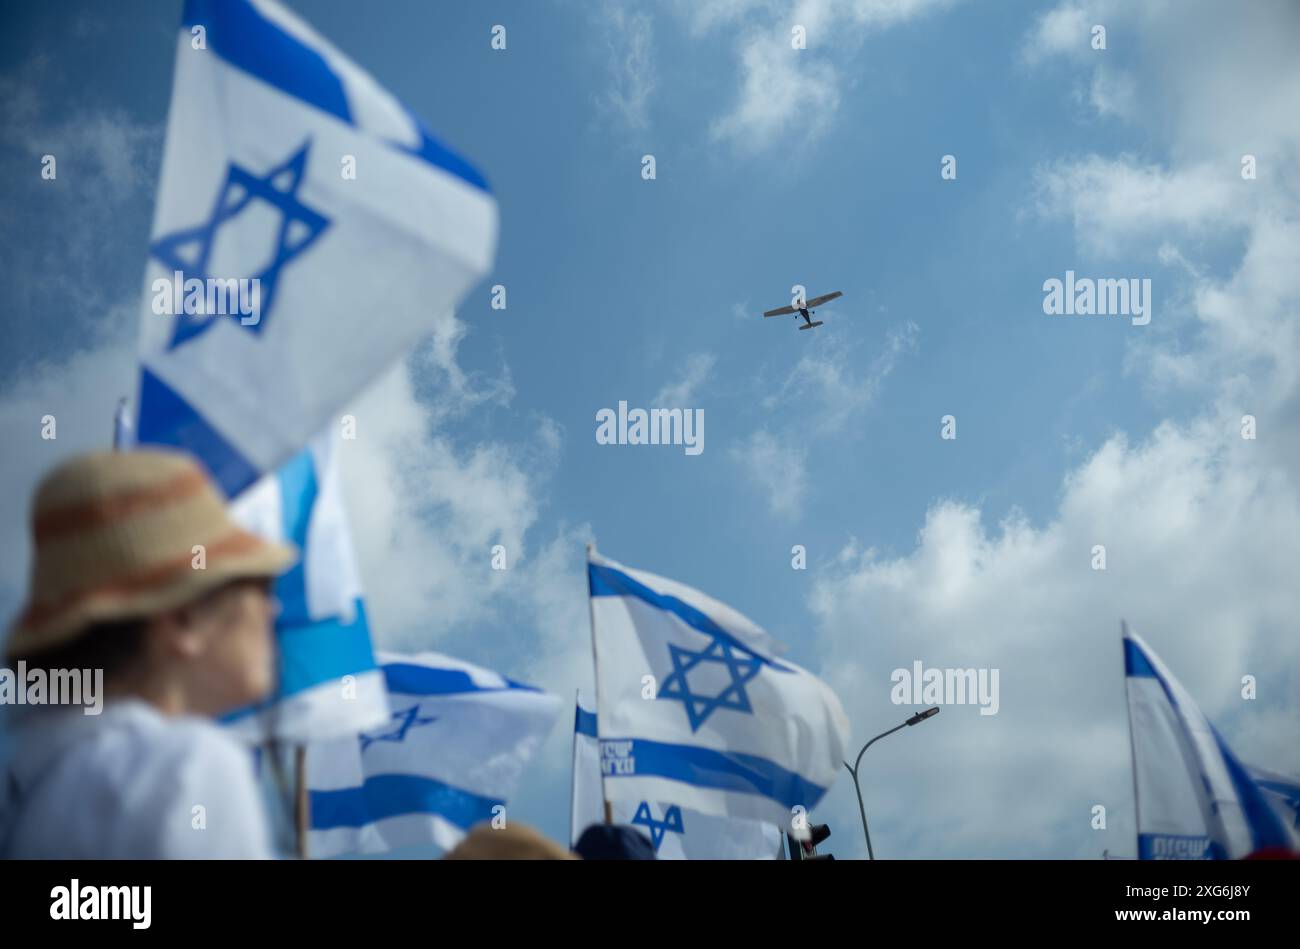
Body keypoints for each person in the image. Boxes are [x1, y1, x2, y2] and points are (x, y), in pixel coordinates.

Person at [0, 449, 296, 858]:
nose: (272, 609)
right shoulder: (188, 767)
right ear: (184, 620)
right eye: (260, 586)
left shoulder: (35, 790)